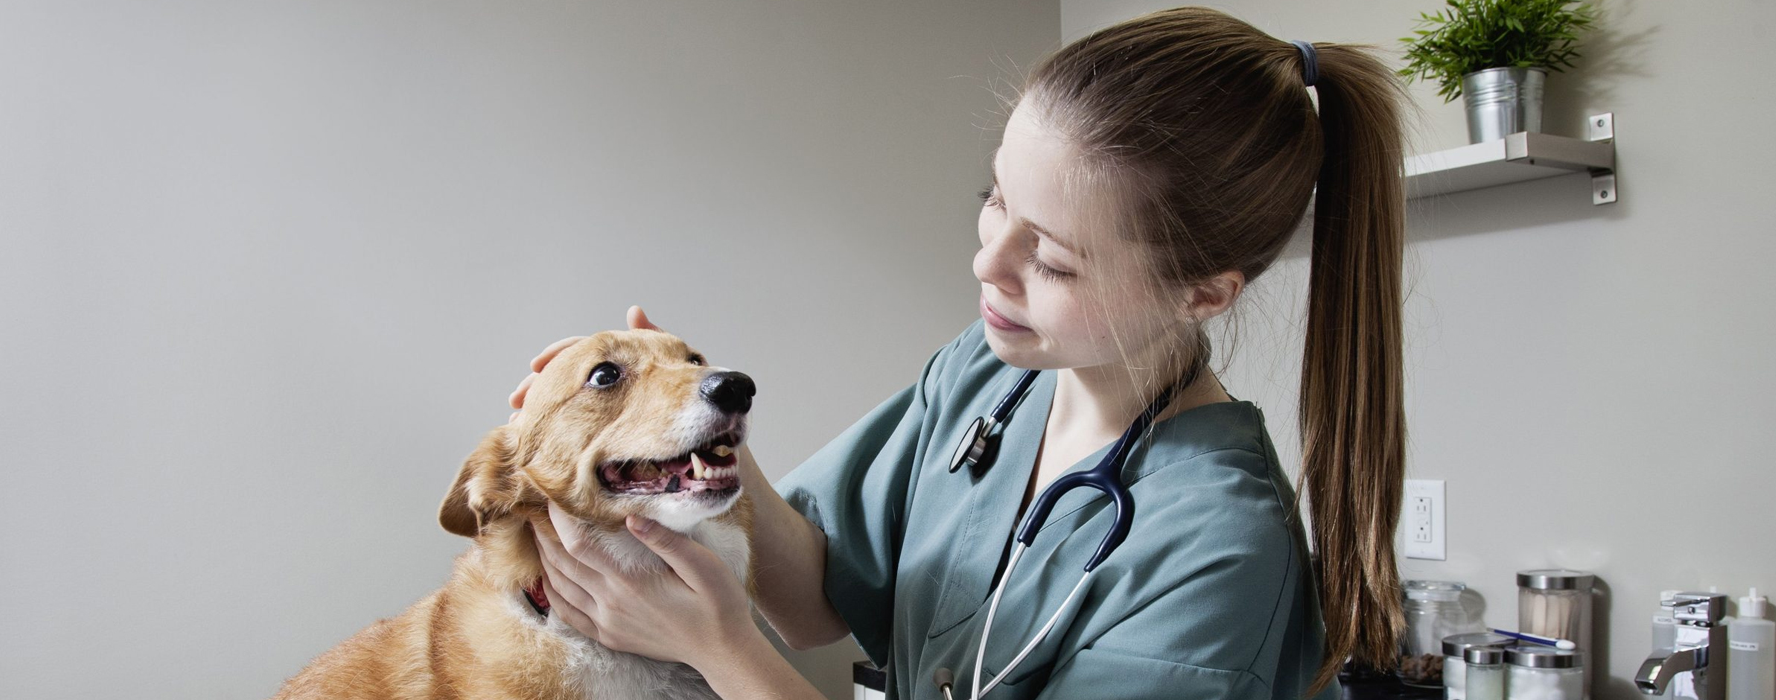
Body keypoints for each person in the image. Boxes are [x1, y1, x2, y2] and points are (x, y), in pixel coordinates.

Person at [518, 6, 1414, 699]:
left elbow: (761, 633)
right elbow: (815, 601)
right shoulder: (994, 377)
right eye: (995, 199)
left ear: (1204, 292)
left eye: (1054, 259)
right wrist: (697, 425)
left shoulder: (1218, 556)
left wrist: (718, 649)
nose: (988, 262)